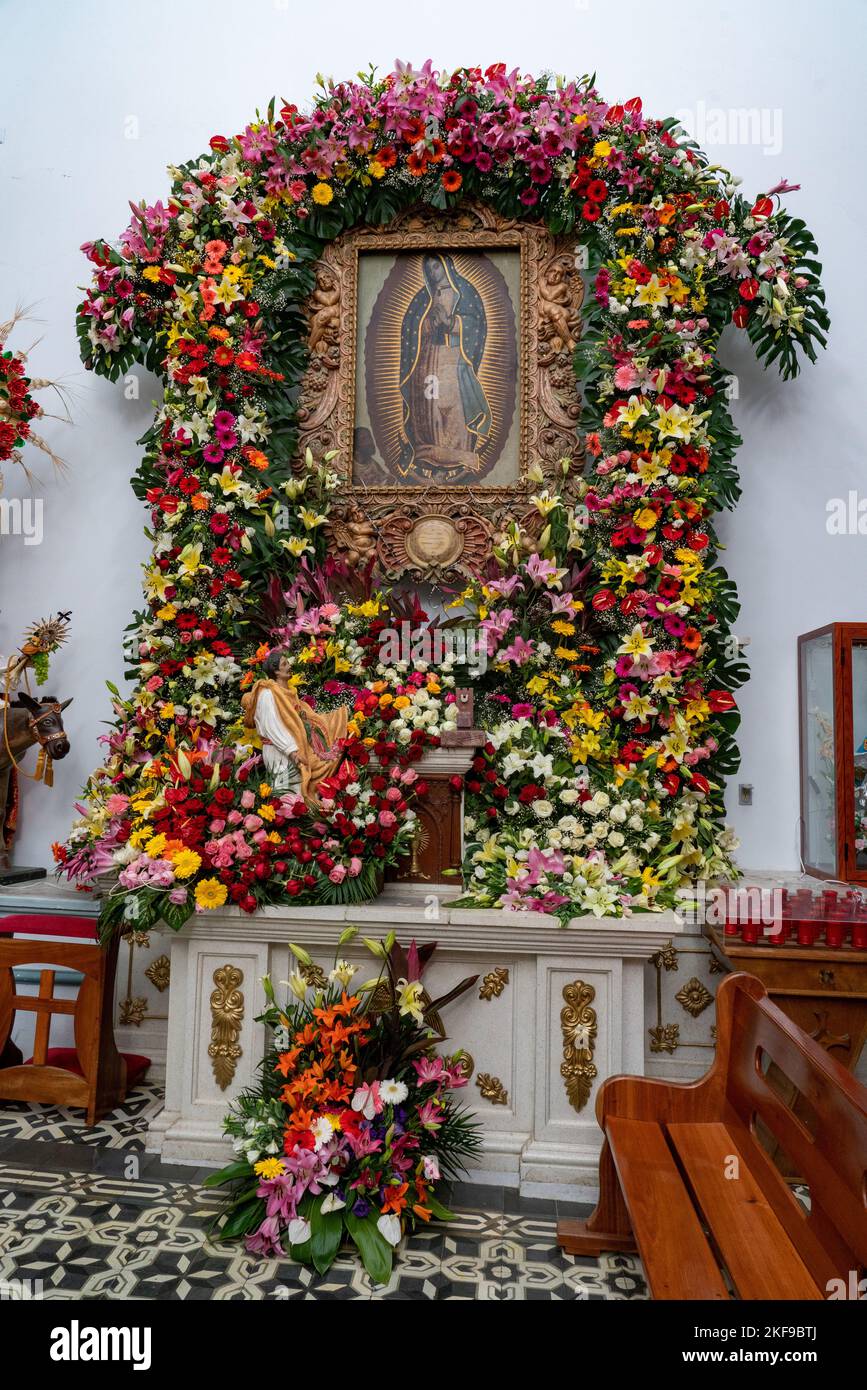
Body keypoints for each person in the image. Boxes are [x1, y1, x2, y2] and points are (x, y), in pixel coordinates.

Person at [241, 651, 349, 807]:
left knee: (297, 794)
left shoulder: (289, 692)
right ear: (276, 672)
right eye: (284, 664)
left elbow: (301, 718)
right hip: (279, 751)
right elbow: (272, 727)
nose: (289, 666)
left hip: (294, 750)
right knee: (286, 796)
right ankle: (291, 827)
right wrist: (291, 751)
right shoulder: (267, 693)